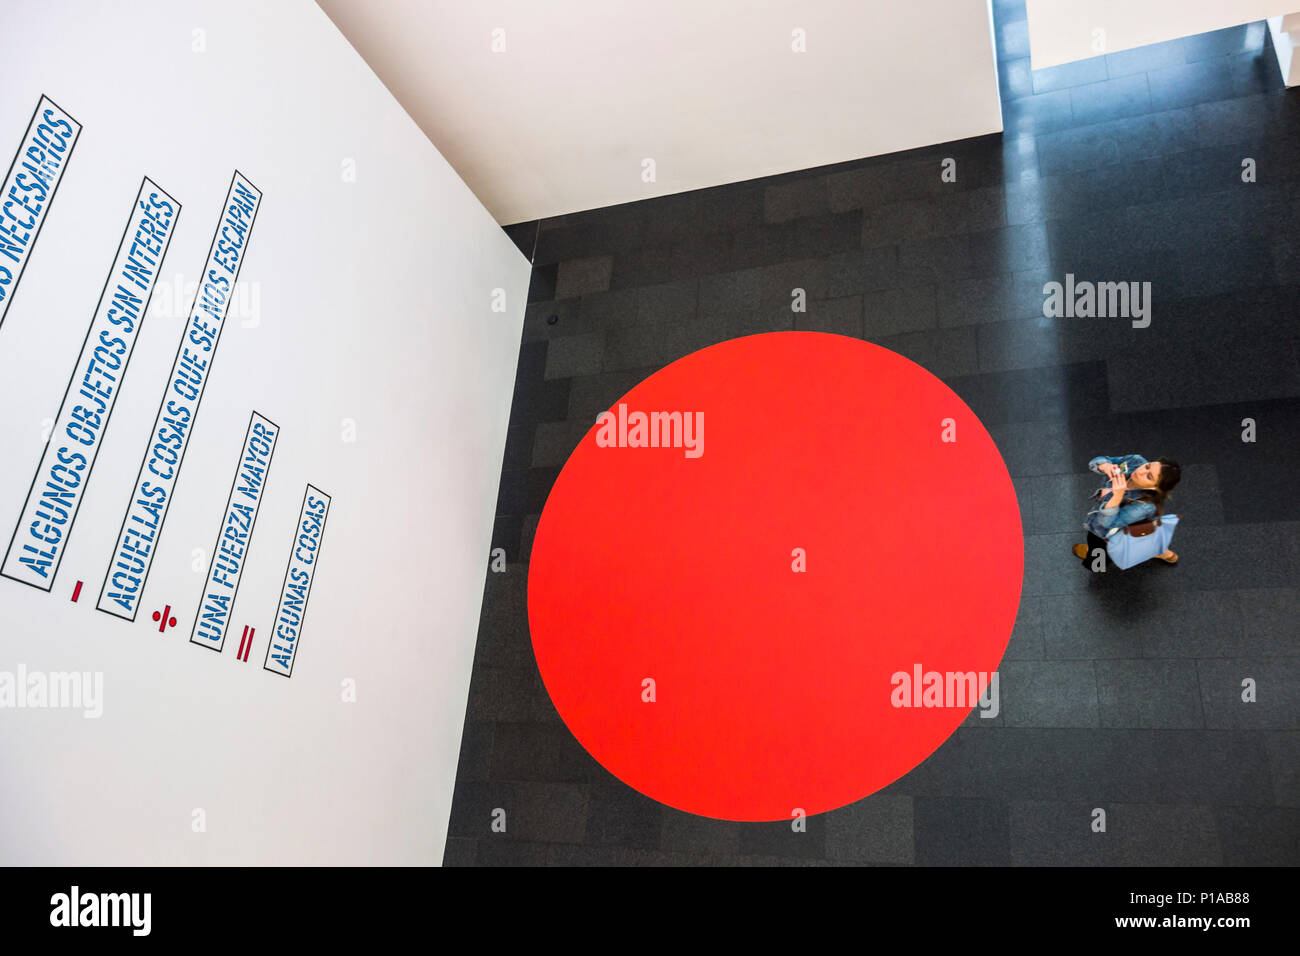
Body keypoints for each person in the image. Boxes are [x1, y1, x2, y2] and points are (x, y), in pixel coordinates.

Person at [1071, 454, 1182, 568]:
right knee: (1142, 537)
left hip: (1107, 529)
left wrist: (1117, 497)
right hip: (1130, 519)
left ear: (1155, 488)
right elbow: (1101, 460)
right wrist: (1104, 465)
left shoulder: (1145, 506)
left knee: (1096, 563)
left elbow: (1106, 524)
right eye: (1148, 466)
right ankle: (1158, 550)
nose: (1140, 471)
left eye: (1149, 476)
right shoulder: (1135, 461)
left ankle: (1094, 556)